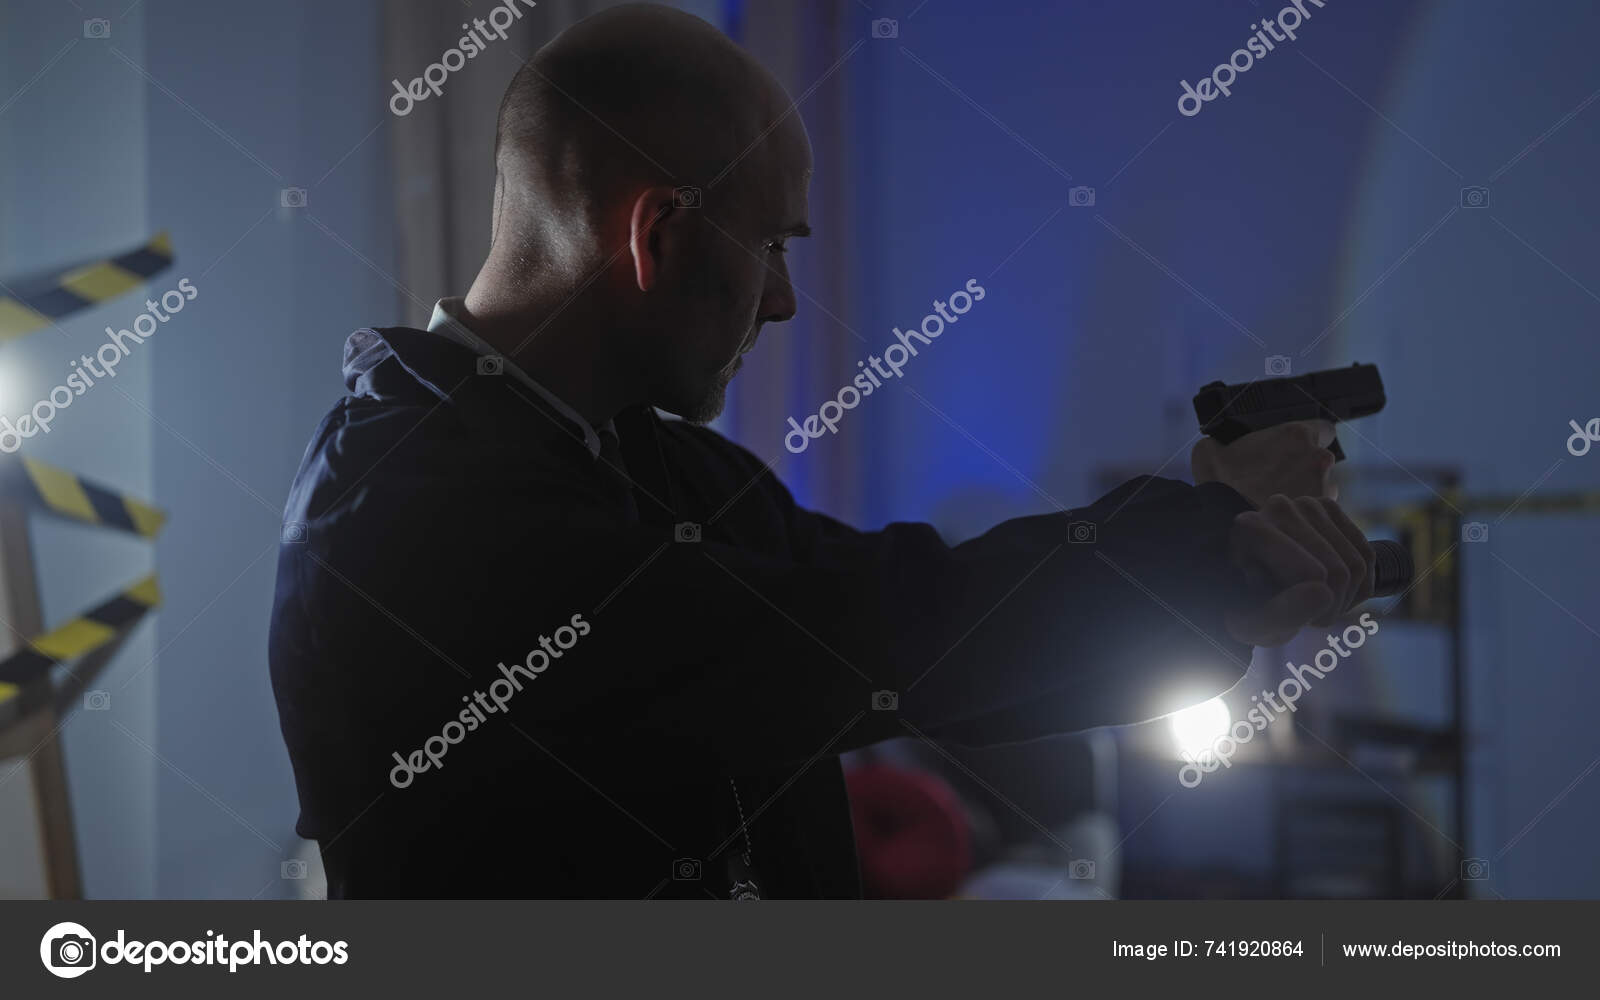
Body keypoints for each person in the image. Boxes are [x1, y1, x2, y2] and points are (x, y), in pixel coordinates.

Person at [269, 3, 1373, 899]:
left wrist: (1219, 570)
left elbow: (913, 656)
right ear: (654, 235)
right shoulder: (421, 514)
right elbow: (875, 640)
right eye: (771, 245)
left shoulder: (655, 468)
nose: (789, 302)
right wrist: (1210, 523)